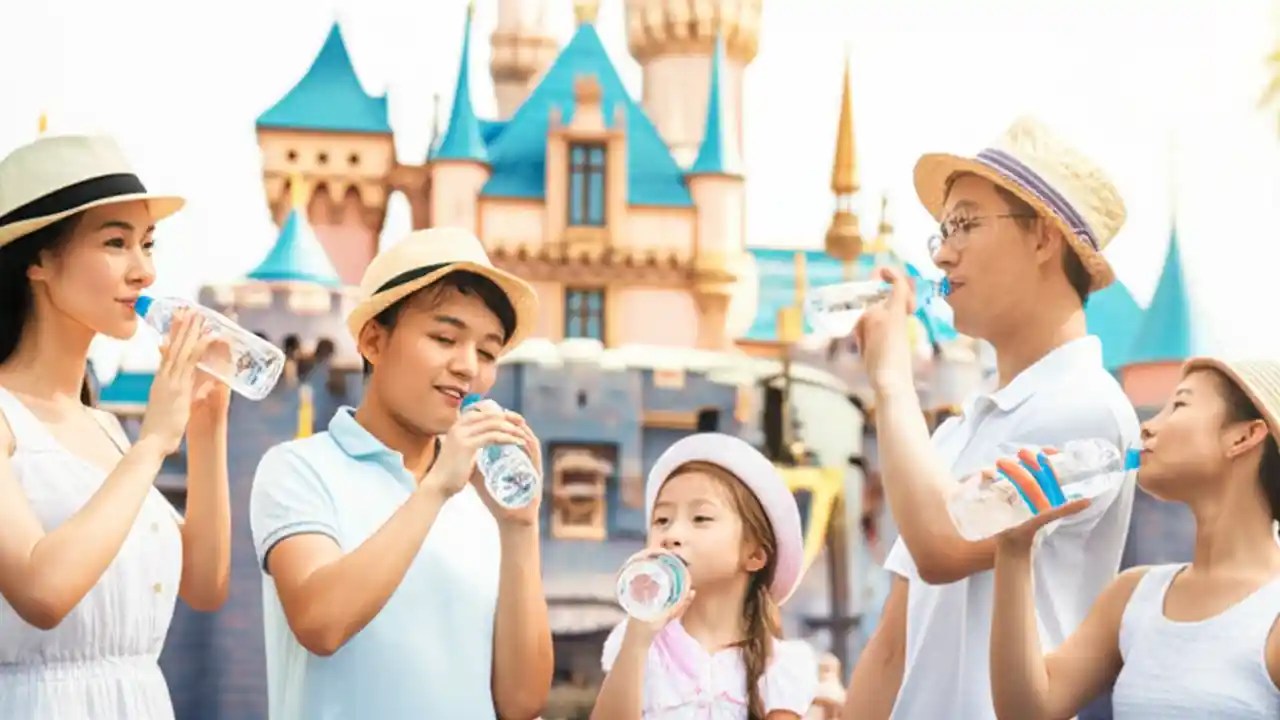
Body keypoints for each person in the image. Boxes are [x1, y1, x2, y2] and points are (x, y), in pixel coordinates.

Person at [843, 116, 1141, 720]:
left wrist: (893, 379)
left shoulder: (1087, 406)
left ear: (1042, 238)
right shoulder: (955, 432)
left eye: (966, 224)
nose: (944, 252)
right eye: (942, 232)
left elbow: (944, 545)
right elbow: (891, 649)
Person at [249, 227, 554, 719]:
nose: (468, 367)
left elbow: (522, 703)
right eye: (444, 338)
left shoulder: (485, 501)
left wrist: (520, 528)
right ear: (373, 340)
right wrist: (436, 488)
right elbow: (321, 623)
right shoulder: (300, 469)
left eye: (488, 352)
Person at [0, 134, 232, 719]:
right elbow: (42, 592)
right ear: (38, 260)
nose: (144, 271)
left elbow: (204, 584)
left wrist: (206, 427)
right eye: (116, 243)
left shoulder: (104, 428)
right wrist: (155, 441)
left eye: (148, 245)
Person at [989, 358, 1280, 719]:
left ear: (1243, 437)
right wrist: (1014, 548)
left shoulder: (1271, 612)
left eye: (1179, 405)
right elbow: (1027, 712)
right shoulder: (1133, 596)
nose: (1147, 427)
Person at [591, 432, 819, 719]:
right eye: (662, 520)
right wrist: (638, 638)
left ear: (755, 555)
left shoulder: (781, 666)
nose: (672, 535)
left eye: (701, 518)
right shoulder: (638, 643)